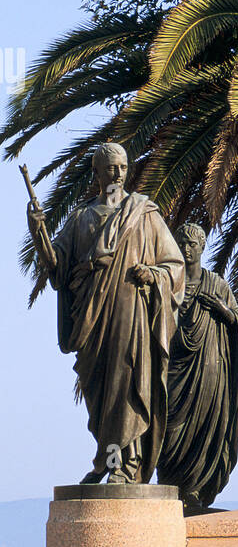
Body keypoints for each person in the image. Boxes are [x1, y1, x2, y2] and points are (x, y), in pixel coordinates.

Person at [27, 142, 185, 484]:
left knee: (125, 385)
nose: (117, 174)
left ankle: (125, 466)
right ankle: (109, 459)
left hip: (131, 312)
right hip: (92, 318)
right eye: (111, 168)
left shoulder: (144, 213)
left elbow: (174, 266)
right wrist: (38, 231)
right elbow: (58, 270)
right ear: (97, 173)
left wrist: (152, 274)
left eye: (123, 168)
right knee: (101, 399)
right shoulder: (81, 218)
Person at [157, 223, 238, 511]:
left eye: (192, 244)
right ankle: (170, 485)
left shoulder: (217, 285)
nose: (186, 249)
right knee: (169, 428)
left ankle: (194, 489)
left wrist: (223, 311)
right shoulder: (170, 284)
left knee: (205, 426)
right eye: (181, 243)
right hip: (175, 368)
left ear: (202, 247)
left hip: (210, 370)